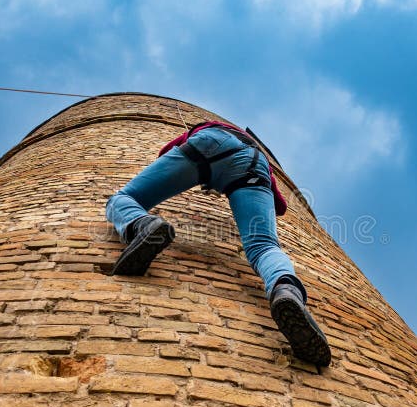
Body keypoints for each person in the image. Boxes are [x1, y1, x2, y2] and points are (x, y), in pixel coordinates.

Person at [105, 121, 331, 367]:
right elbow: (281, 206)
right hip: (256, 166)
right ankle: (286, 290)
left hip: (209, 142)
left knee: (124, 198)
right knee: (264, 246)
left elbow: (167, 153)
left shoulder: (208, 126)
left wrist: (204, 174)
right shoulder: (259, 151)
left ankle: (143, 224)